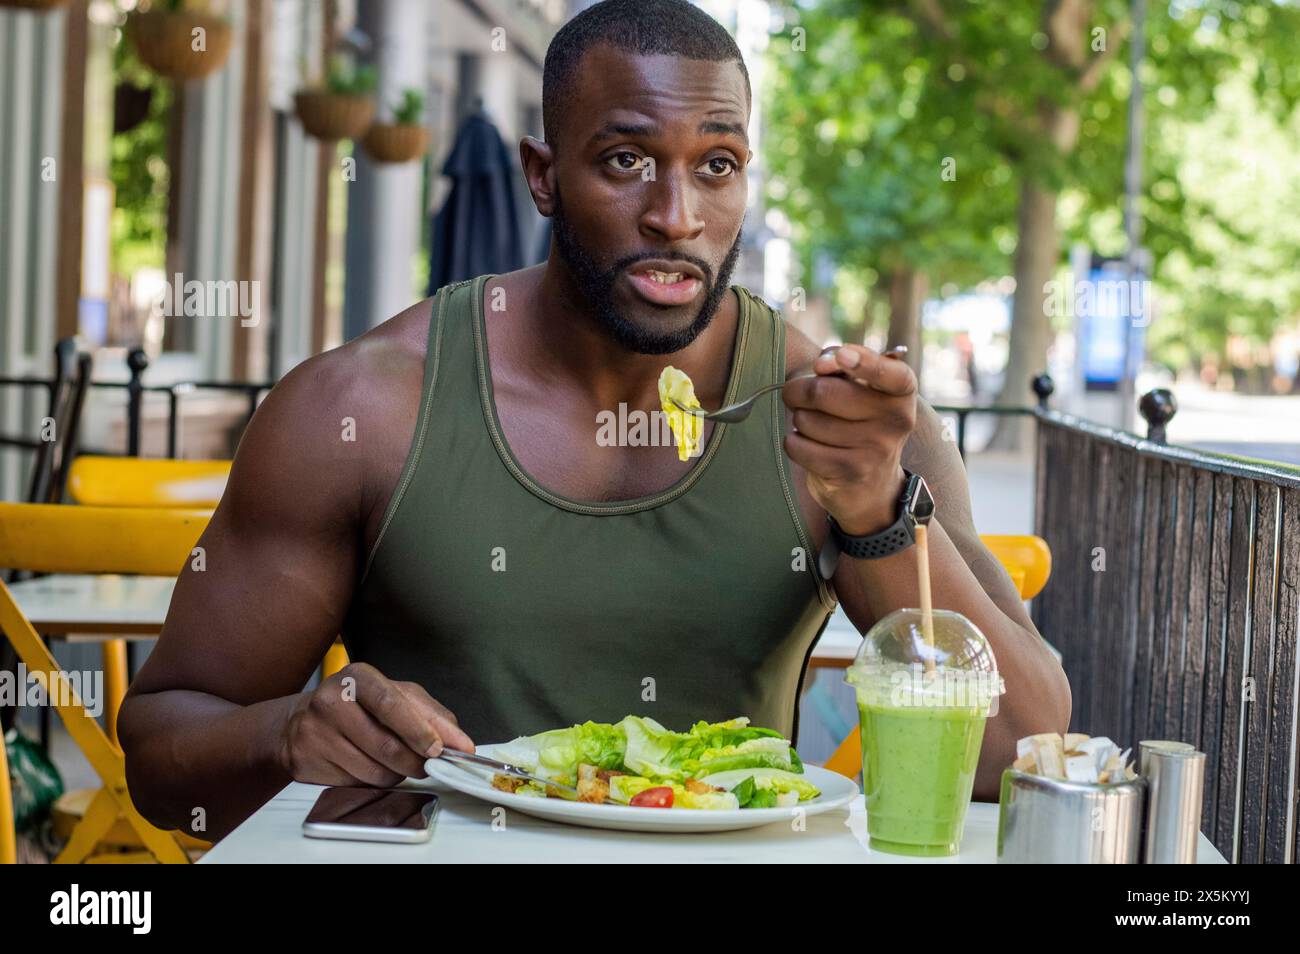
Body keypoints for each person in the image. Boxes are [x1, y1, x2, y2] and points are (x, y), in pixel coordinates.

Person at [120, 0, 1070, 841]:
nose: (676, 214)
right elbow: (163, 761)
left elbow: (1019, 752)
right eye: (626, 160)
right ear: (542, 176)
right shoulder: (361, 407)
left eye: (718, 165)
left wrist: (872, 505)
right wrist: (287, 730)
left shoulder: (845, 424)